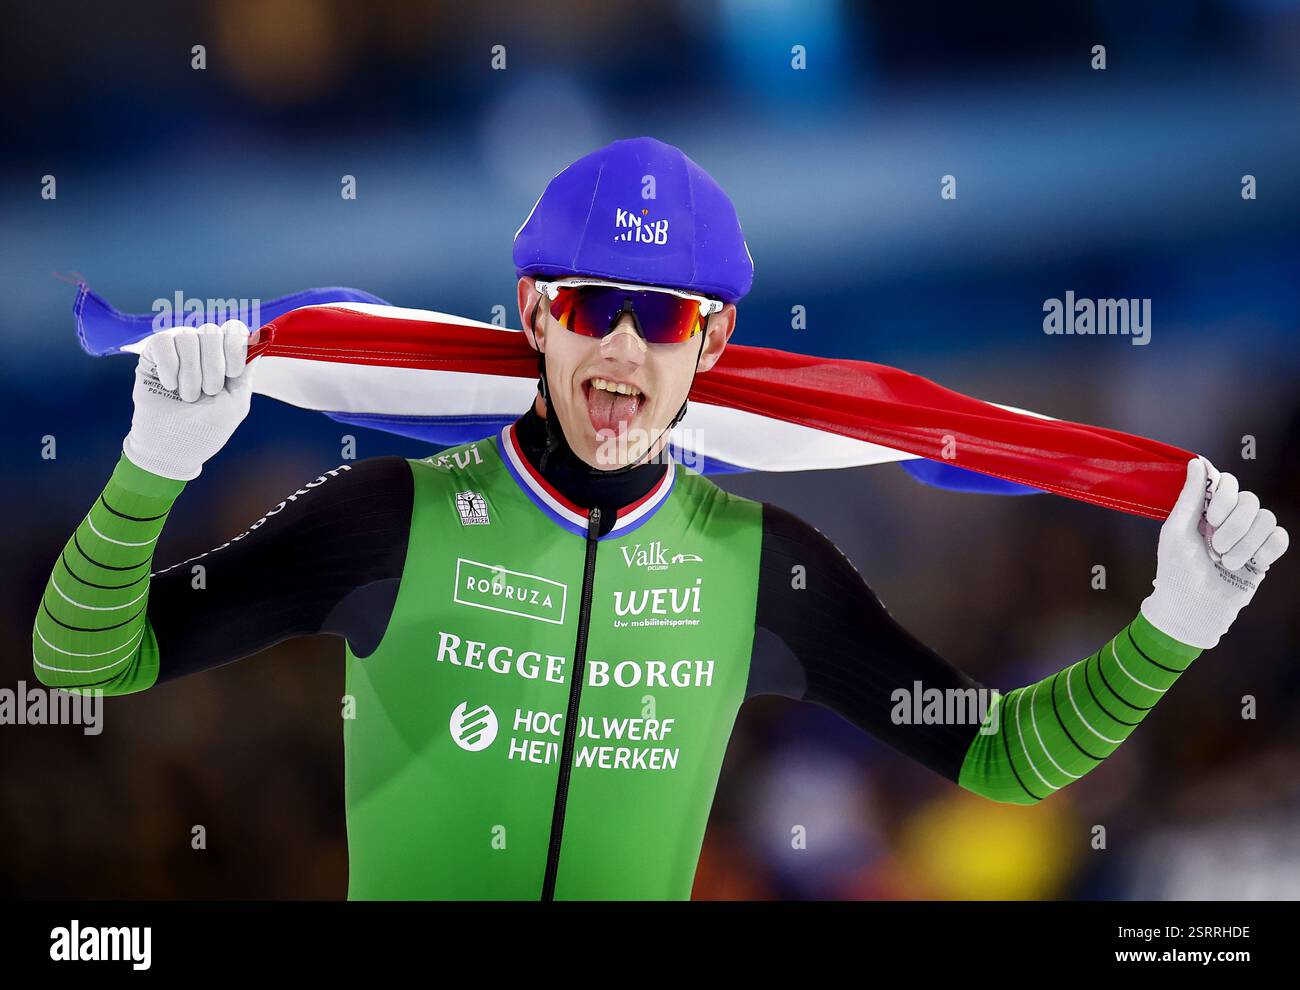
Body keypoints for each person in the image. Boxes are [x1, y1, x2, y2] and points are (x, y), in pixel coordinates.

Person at [32, 137, 1289, 900]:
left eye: (666, 314)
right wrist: (153, 467)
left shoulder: (764, 573)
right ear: (532, 316)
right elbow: (80, 662)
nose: (624, 348)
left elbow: (1006, 760)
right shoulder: (390, 522)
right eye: (590, 309)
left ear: (718, 340)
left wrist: (1170, 626)